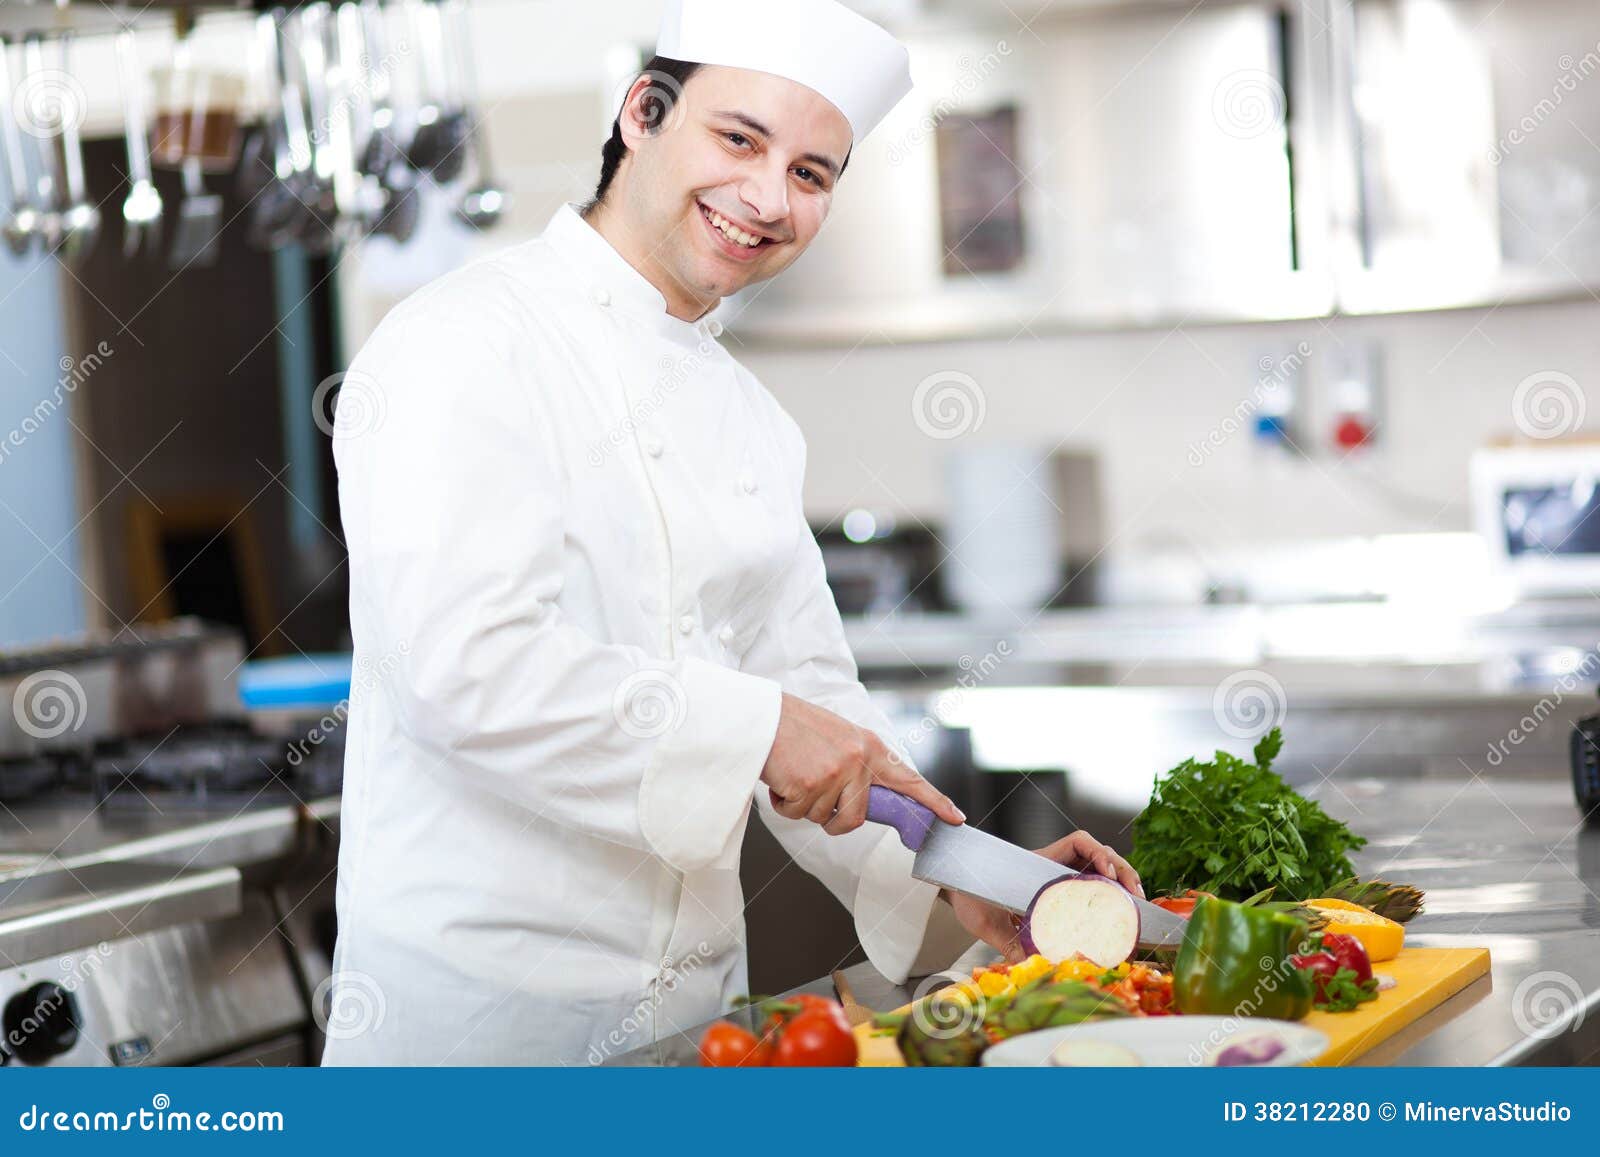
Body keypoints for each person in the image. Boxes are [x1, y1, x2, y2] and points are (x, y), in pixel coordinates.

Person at [324, 0, 1141, 1065]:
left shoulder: (752, 420)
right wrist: (759, 727)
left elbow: (819, 708)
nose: (767, 197)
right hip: (475, 1031)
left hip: (695, 1025)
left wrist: (969, 871)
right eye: (739, 138)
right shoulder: (460, 345)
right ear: (642, 113)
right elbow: (465, 669)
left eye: (811, 174)